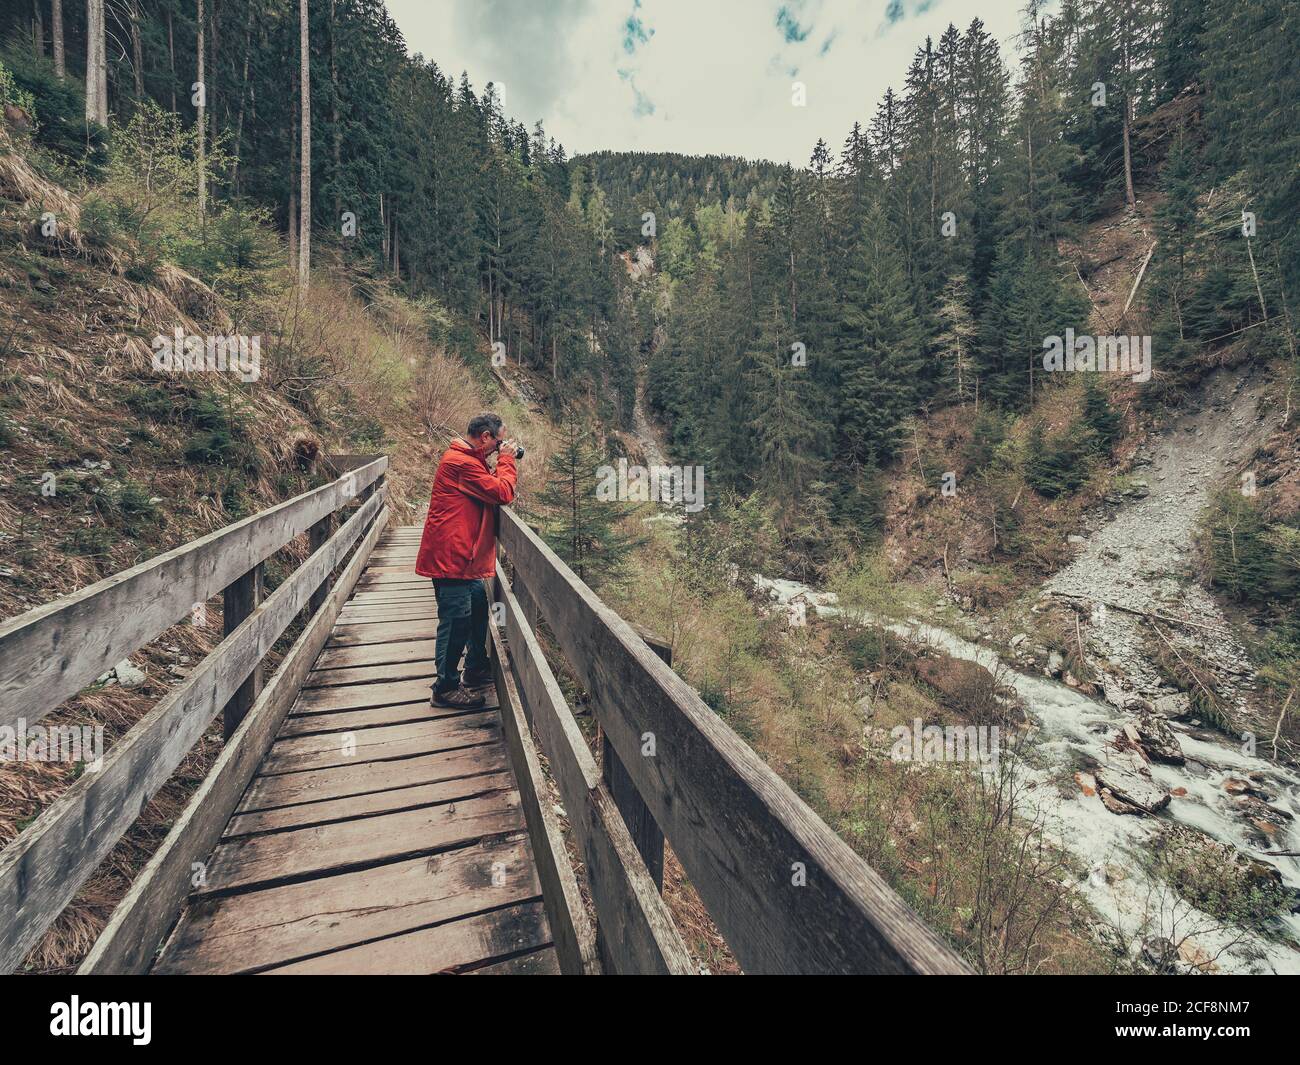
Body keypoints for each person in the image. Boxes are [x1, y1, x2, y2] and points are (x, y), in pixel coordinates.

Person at [415, 413, 518, 708]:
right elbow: (503, 491)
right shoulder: (461, 463)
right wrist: (507, 461)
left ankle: (474, 667)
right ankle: (445, 687)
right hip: (451, 557)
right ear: (485, 437)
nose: (501, 447)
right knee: (455, 619)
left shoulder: (469, 460)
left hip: (461, 556)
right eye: (499, 441)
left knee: (476, 600)